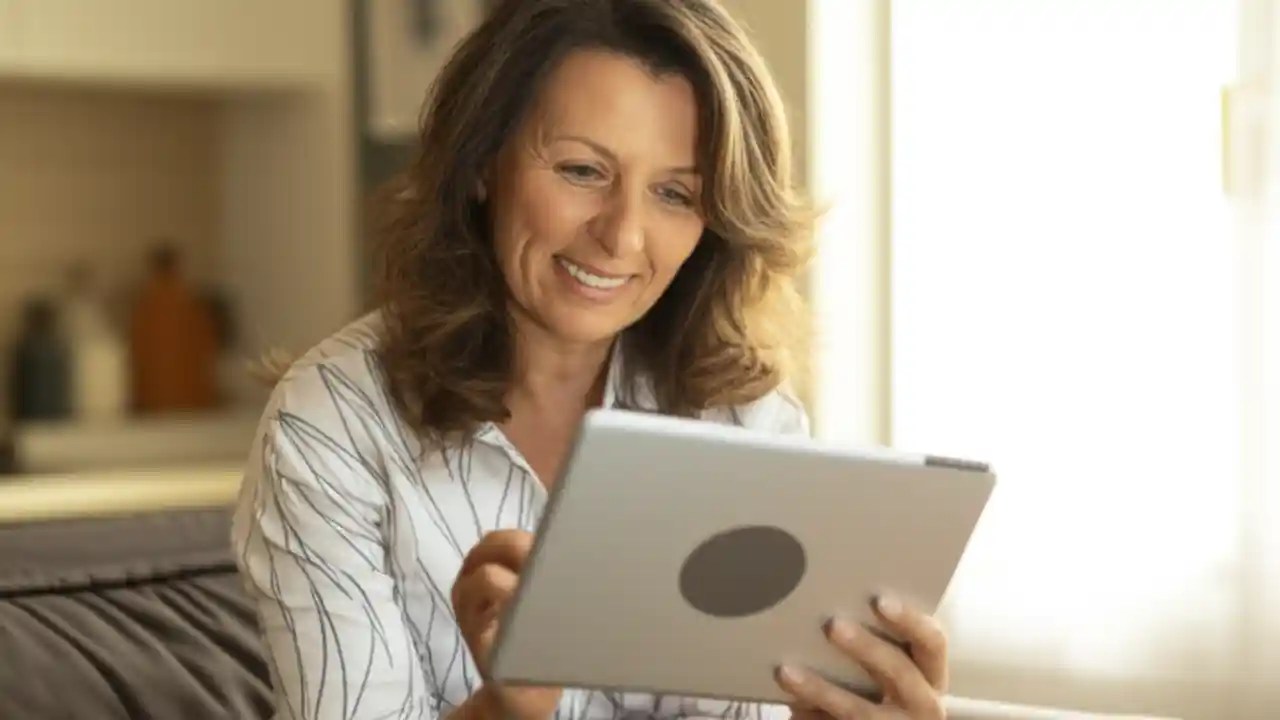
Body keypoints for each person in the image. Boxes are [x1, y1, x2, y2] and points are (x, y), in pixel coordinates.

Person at [231, 1, 949, 718]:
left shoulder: (747, 418)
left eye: (675, 193)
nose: (622, 236)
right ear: (482, 162)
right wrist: (502, 712)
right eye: (581, 170)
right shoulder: (331, 425)